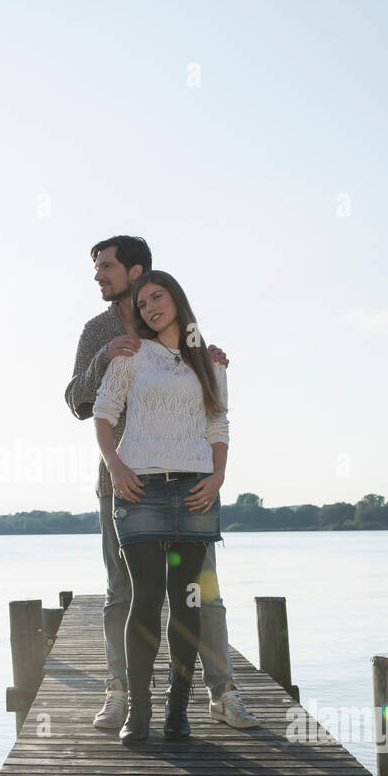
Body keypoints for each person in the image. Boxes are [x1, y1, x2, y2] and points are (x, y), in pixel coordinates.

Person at [65, 236, 259, 731]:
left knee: (201, 594)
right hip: (123, 480)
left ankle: (220, 692)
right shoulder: (100, 331)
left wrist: (217, 473)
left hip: (190, 482)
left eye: (106, 266)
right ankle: (123, 696)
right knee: (125, 592)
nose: (98, 276)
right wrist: (104, 357)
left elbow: (216, 417)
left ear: (137, 272)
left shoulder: (192, 346)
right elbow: (78, 402)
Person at [91, 269, 235, 741]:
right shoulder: (133, 355)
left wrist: (218, 477)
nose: (151, 307)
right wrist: (115, 468)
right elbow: (104, 413)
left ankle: (178, 710)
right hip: (141, 491)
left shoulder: (210, 362)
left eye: (158, 297)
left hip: (194, 492)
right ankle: (139, 713)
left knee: (188, 601)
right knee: (146, 601)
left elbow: (218, 426)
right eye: (143, 303)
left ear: (176, 298)